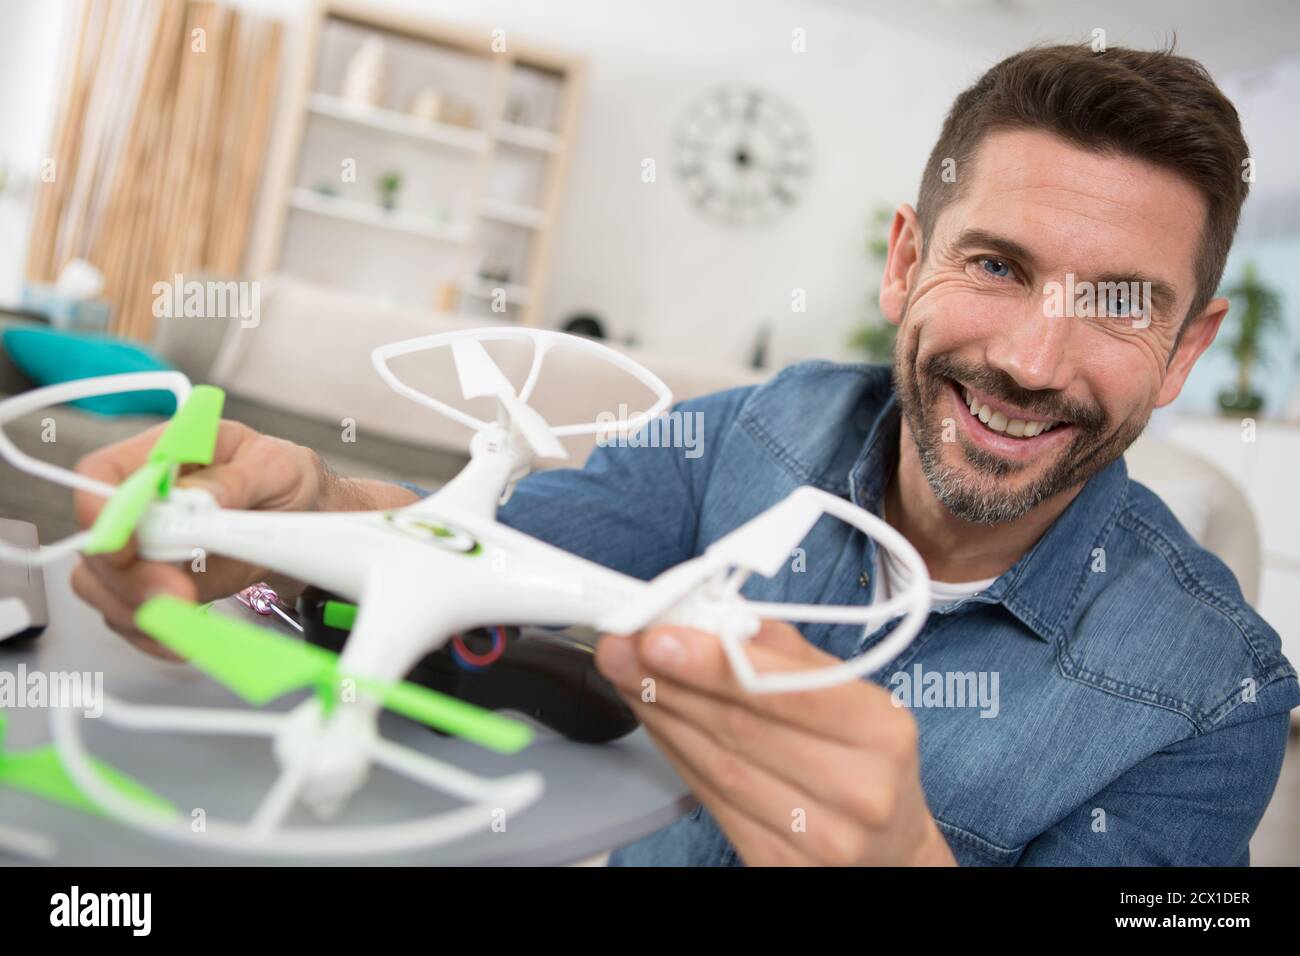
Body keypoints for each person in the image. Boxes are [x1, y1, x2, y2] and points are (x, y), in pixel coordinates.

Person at [71, 43, 1299, 866]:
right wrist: (317, 518)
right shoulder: (758, 427)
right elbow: (482, 570)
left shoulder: (1220, 695)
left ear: (1188, 347)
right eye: (996, 265)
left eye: (1121, 303)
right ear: (902, 262)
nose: (1033, 359)